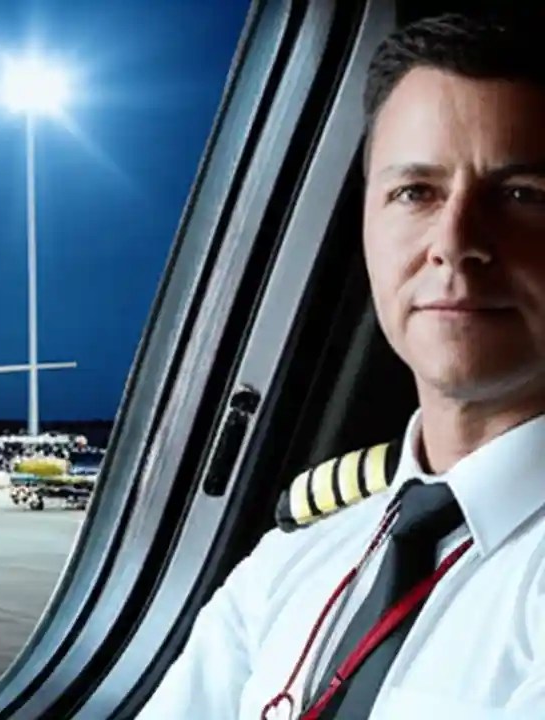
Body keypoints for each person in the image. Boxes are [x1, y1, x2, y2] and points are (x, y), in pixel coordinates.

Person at [139, 10, 545, 719]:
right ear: (365, 222)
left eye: (521, 196)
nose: (455, 243)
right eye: (415, 192)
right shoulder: (290, 566)